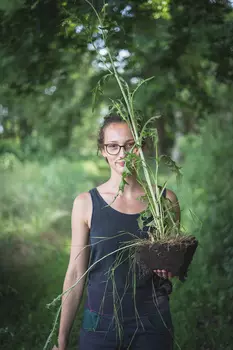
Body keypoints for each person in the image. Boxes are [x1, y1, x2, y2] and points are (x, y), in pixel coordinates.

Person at [52, 114, 180, 350]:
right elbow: (75, 274)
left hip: (152, 325)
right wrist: (61, 340)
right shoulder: (85, 204)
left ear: (141, 148)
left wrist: (169, 267)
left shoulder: (165, 201)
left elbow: (171, 262)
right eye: (113, 146)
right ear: (102, 150)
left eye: (130, 145)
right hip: (99, 327)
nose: (122, 153)